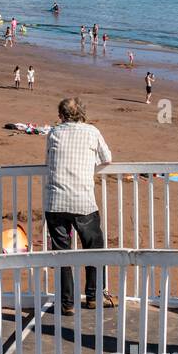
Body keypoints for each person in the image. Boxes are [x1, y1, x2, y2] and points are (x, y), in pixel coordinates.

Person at [43, 97, 114, 317]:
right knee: (94, 248)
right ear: (82, 113)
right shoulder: (92, 131)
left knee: (62, 254)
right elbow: (107, 159)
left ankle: (67, 303)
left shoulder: (54, 133)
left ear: (61, 114)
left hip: (56, 202)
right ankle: (93, 296)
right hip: (83, 200)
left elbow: (48, 161)